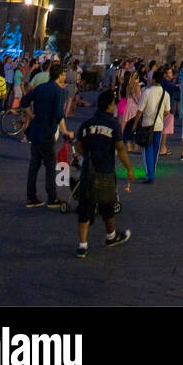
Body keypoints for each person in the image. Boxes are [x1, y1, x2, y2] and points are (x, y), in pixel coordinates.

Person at [74, 88, 135, 258]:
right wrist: (129, 168)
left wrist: (87, 153)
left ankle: (82, 244)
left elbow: (78, 146)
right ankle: (111, 235)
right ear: (109, 106)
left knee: (85, 207)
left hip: (89, 169)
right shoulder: (113, 125)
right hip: (106, 170)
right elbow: (120, 149)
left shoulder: (87, 124)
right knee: (107, 205)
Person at [23, 62, 72, 208]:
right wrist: (65, 131)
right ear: (60, 75)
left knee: (34, 165)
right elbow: (58, 114)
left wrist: (32, 115)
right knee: (50, 165)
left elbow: (25, 101)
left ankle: (31, 196)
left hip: (35, 130)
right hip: (46, 131)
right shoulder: (58, 91)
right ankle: (52, 197)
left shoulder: (41, 87)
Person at [132, 69, 171, 183]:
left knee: (147, 149)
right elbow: (167, 112)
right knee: (155, 150)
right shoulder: (165, 94)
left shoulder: (147, 92)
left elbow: (140, 110)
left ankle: (149, 174)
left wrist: (134, 124)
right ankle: (152, 171)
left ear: (153, 79)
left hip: (147, 124)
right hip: (159, 125)